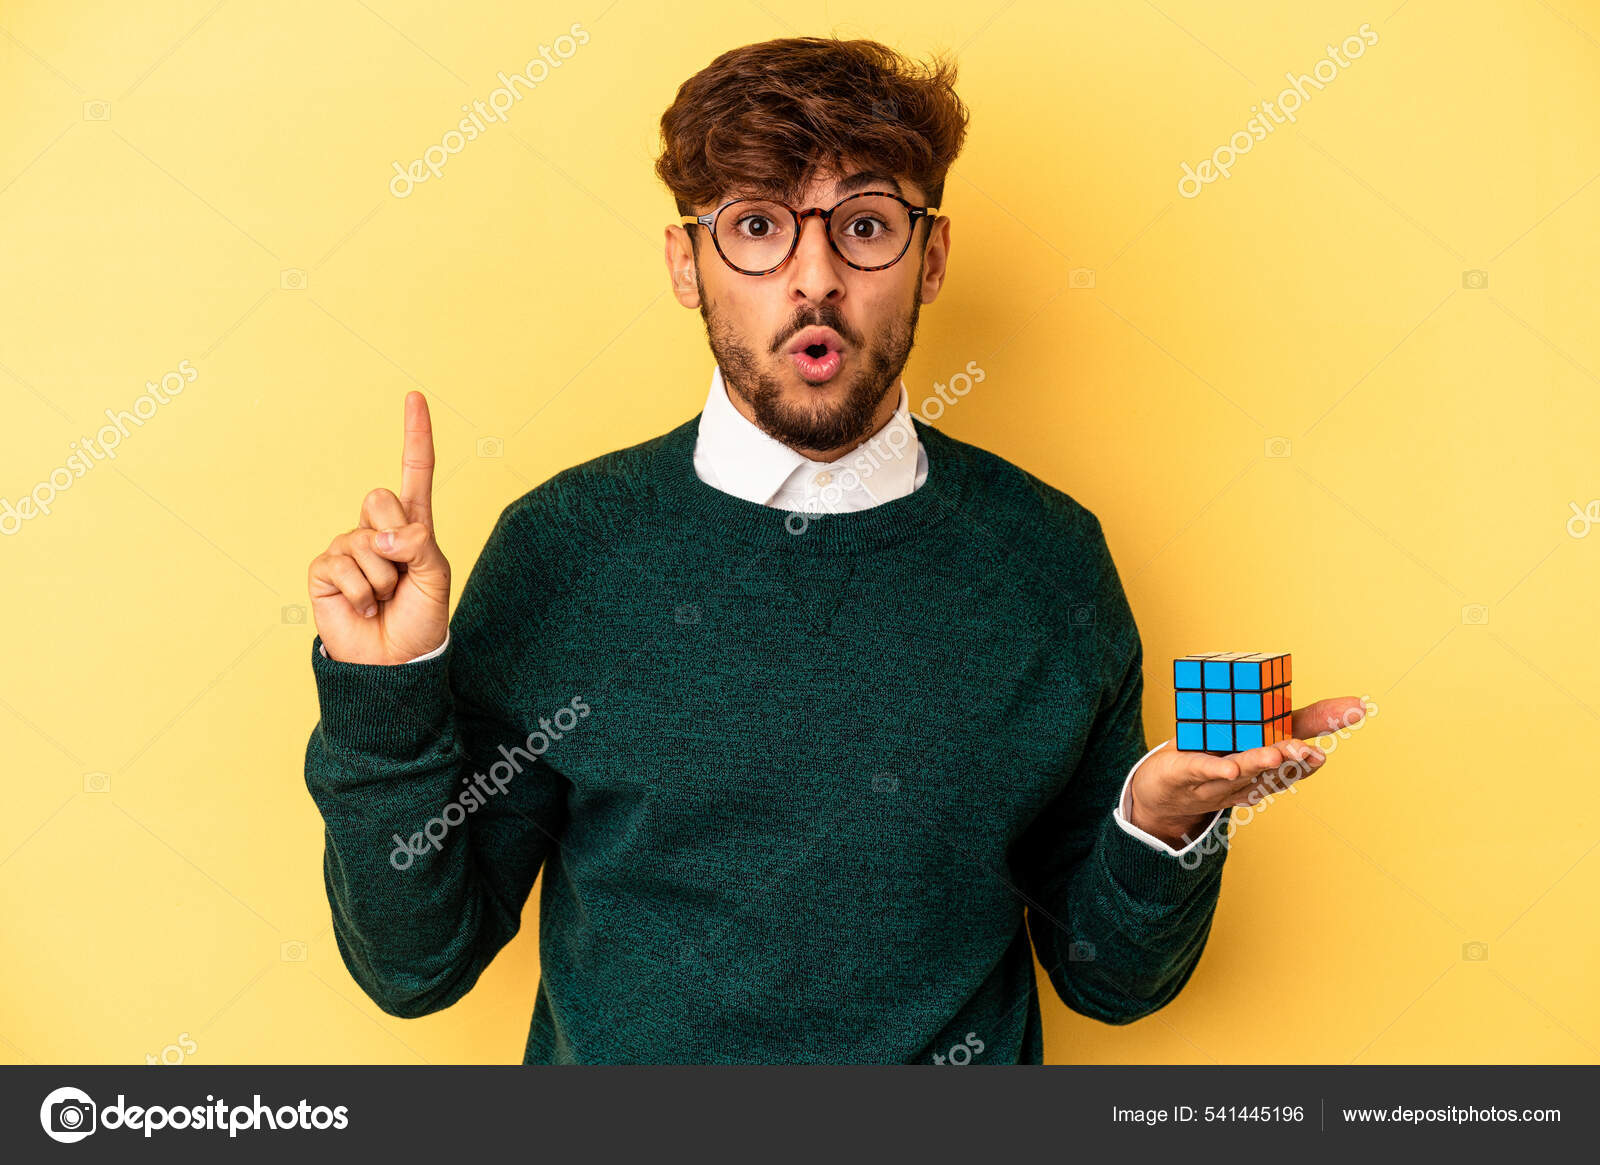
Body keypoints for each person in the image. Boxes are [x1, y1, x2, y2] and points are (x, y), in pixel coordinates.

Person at [304, 35, 1364, 1064]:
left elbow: (1111, 981)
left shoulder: (1046, 557)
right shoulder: (563, 549)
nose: (813, 279)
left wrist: (1156, 827)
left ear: (931, 256)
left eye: (863, 226)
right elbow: (416, 967)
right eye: (757, 226)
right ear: (687, 264)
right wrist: (383, 698)